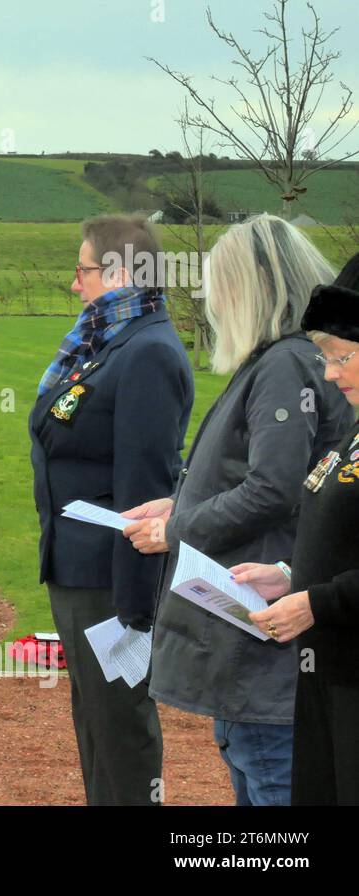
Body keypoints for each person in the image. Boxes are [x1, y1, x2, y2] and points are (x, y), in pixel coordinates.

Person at [121, 215, 346, 806]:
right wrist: (182, 500)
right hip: (248, 635)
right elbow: (250, 471)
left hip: (261, 632)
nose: (209, 298)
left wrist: (177, 528)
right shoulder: (279, 360)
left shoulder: (286, 364)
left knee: (270, 780)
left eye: (220, 283)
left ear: (253, 289)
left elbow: (274, 488)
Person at [29, 214, 194, 805]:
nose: (75, 284)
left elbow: (145, 486)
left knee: (120, 728)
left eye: (83, 270)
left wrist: (133, 607)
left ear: (121, 272)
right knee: (96, 721)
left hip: (110, 578)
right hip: (77, 567)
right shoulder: (106, 340)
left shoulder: (147, 352)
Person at [236, 254, 359, 805]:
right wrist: (291, 576)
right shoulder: (354, 430)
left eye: (342, 358)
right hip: (328, 675)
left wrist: (320, 602)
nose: (330, 375)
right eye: (325, 359)